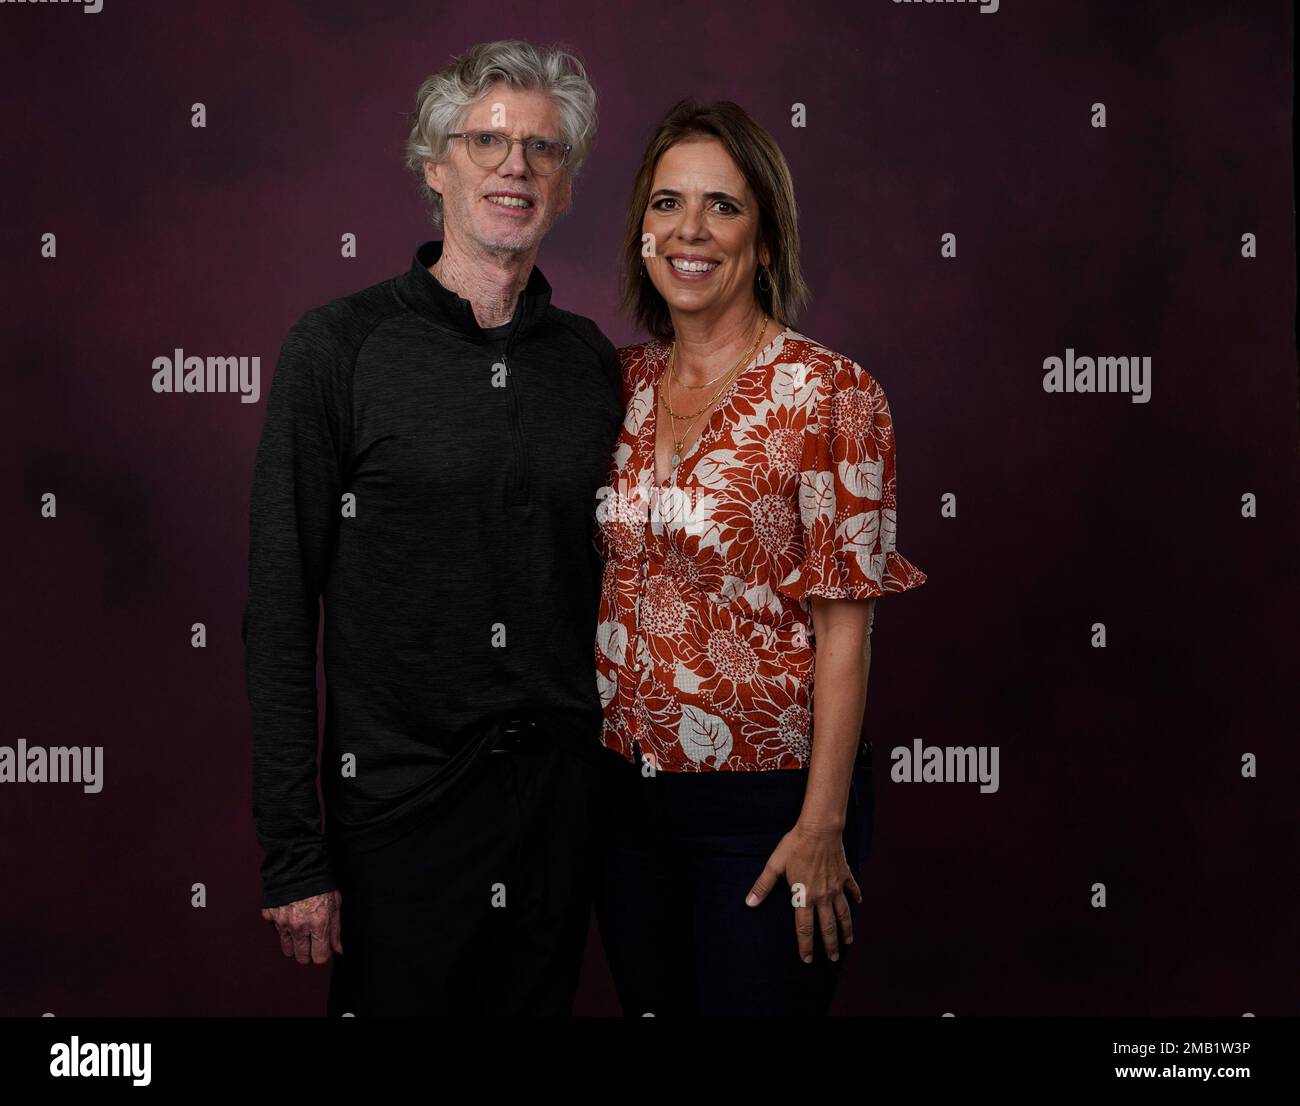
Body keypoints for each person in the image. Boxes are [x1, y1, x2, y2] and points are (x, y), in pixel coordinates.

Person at [241, 39, 622, 1016]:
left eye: (542, 148)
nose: (514, 165)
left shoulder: (589, 365)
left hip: (559, 812)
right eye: (484, 139)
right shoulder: (337, 350)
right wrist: (294, 851)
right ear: (433, 164)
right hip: (399, 816)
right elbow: (281, 609)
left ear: (567, 183)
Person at [593, 98, 928, 1016]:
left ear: (768, 241)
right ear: (641, 230)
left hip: (768, 806)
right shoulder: (612, 383)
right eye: (666, 204)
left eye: (723, 206)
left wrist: (822, 825)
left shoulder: (833, 395)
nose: (689, 231)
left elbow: (846, 635)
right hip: (623, 801)